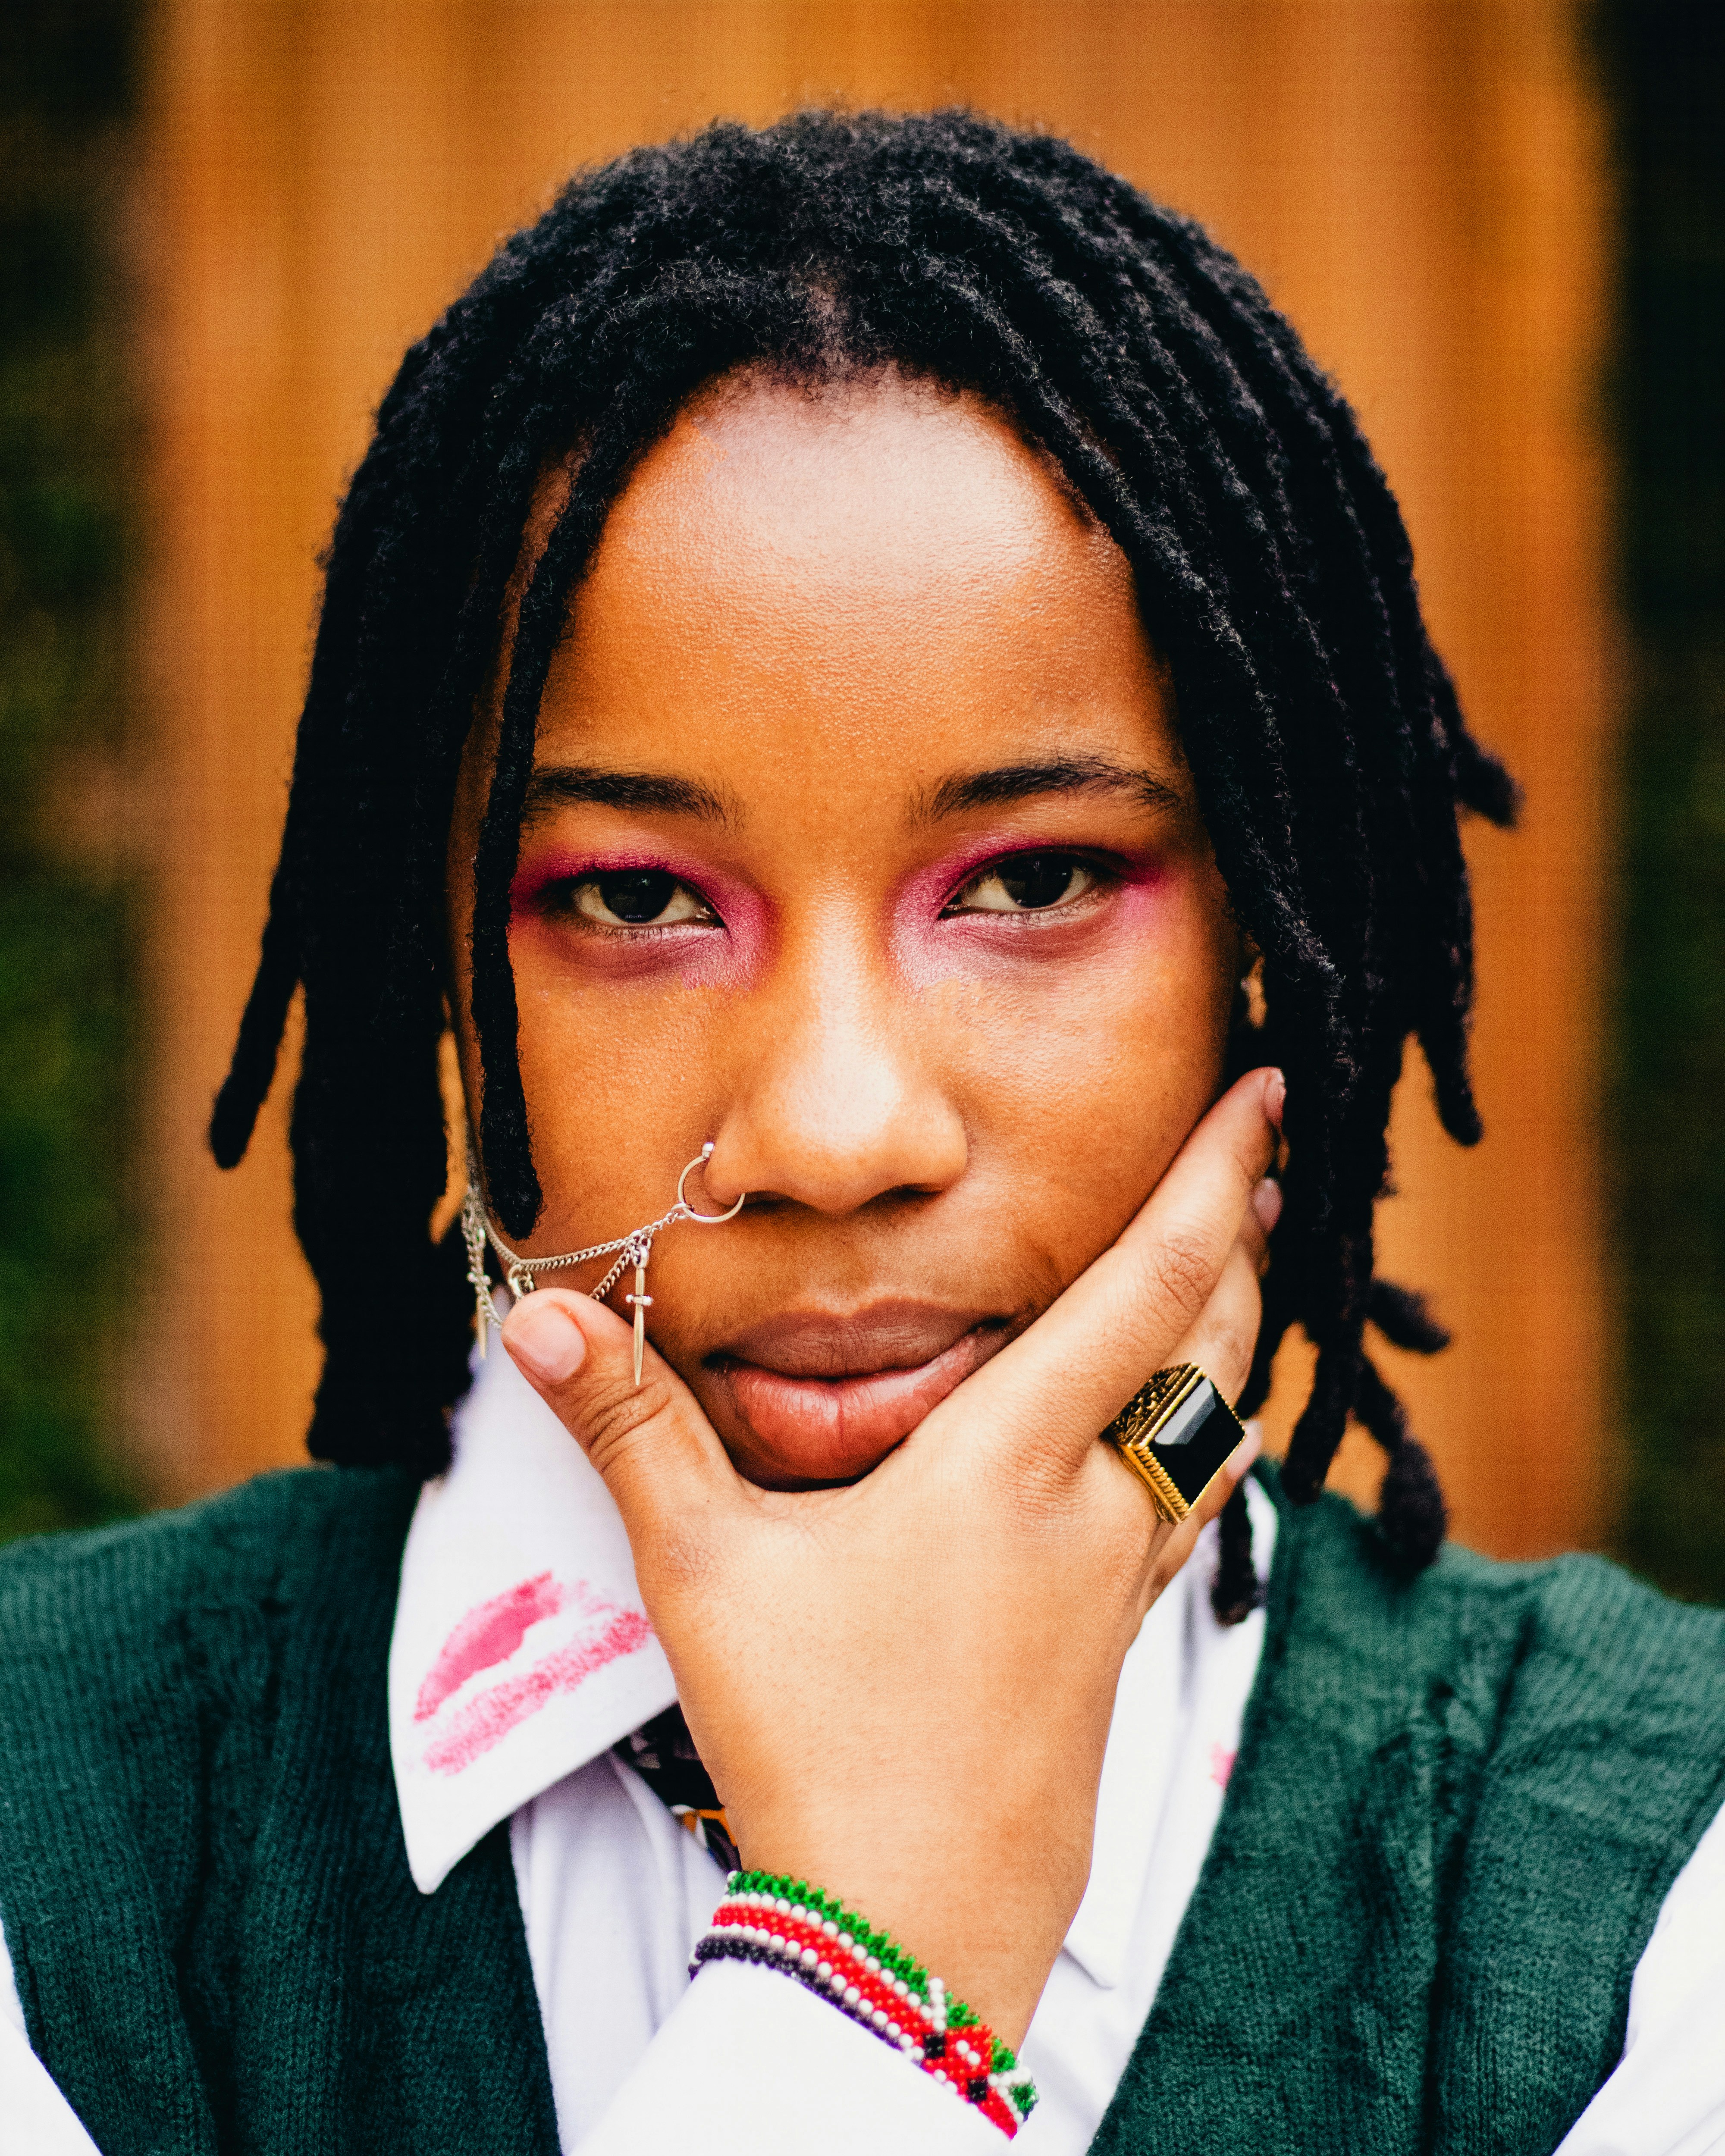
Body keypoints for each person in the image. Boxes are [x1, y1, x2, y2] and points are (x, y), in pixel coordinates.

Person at [0, 109, 1720, 2156]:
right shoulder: (57, 1819)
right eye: (636, 898)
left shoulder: (1647, 1883)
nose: (834, 1129)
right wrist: (869, 1960)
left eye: (1033, 879)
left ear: (1267, 941)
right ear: (446, 966)